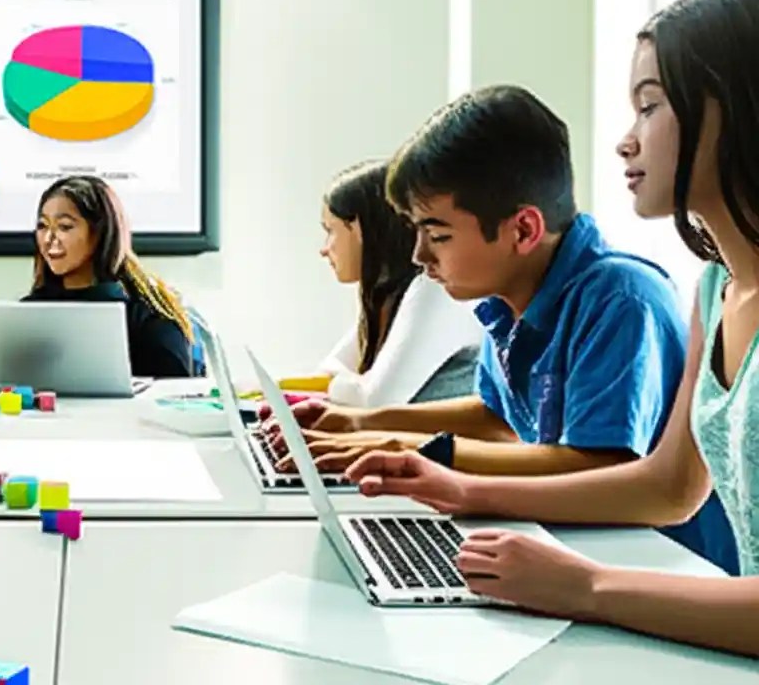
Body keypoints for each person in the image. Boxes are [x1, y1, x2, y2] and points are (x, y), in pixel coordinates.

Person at [344, 0, 759, 656]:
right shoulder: (715, 288)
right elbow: (669, 487)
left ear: (740, 109)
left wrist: (587, 587)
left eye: (650, 107)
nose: (626, 143)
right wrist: (464, 490)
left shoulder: (624, 294)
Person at [262, 83, 737, 574]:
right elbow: (499, 417)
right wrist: (364, 421)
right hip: (579, 544)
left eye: (438, 235)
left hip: (660, 562)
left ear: (524, 231)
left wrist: (414, 450)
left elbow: (600, 464)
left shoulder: (620, 298)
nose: (419, 257)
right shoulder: (507, 298)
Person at [268, 159, 483, 406]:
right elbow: (328, 371)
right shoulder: (386, 298)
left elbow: (374, 399)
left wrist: (346, 383)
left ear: (360, 228)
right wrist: (351, 382)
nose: (324, 249)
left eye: (330, 230)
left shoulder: (430, 289)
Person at [0, 175, 196, 382]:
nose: (49, 238)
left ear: (100, 233)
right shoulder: (32, 313)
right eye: (42, 226)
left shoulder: (149, 317)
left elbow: (176, 394)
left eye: (64, 227)